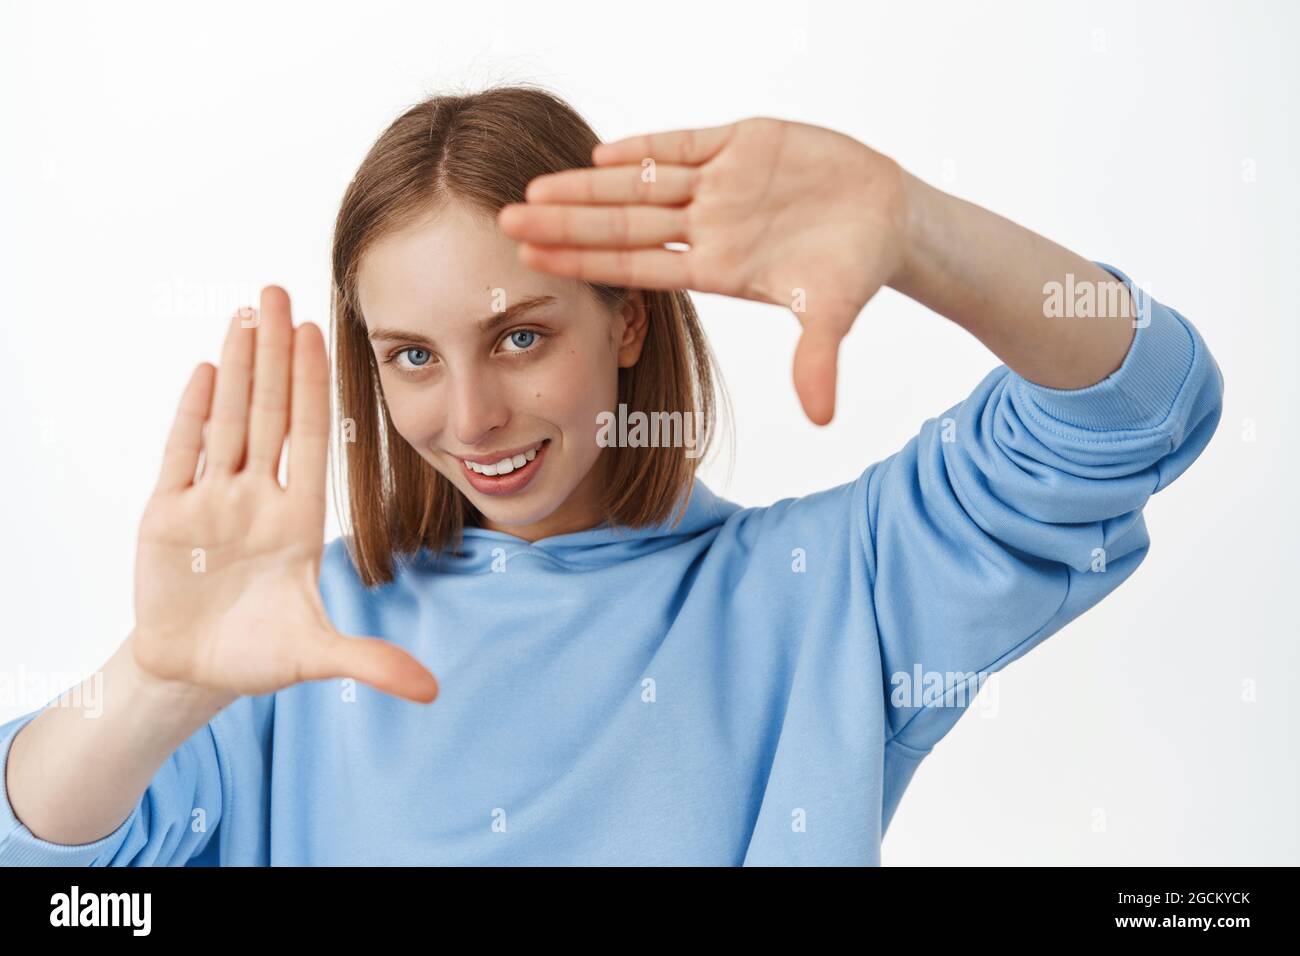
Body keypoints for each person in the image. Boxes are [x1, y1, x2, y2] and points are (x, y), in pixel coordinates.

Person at [0, 86, 1224, 865]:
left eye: (521, 335)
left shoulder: (823, 593)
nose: (471, 414)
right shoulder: (290, 643)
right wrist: (156, 677)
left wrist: (918, 231)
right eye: (414, 356)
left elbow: (1132, 406)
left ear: (627, 322)